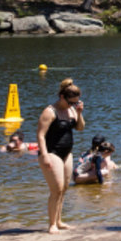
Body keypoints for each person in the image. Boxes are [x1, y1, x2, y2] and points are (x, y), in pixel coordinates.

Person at [37, 79, 85, 233]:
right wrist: (44, 155)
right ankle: (51, 224)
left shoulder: (72, 110)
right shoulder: (50, 111)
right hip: (51, 152)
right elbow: (40, 135)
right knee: (56, 189)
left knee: (64, 188)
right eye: (71, 102)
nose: (73, 105)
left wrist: (79, 113)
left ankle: (59, 220)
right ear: (62, 97)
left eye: (76, 102)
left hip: (67, 152)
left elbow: (80, 128)